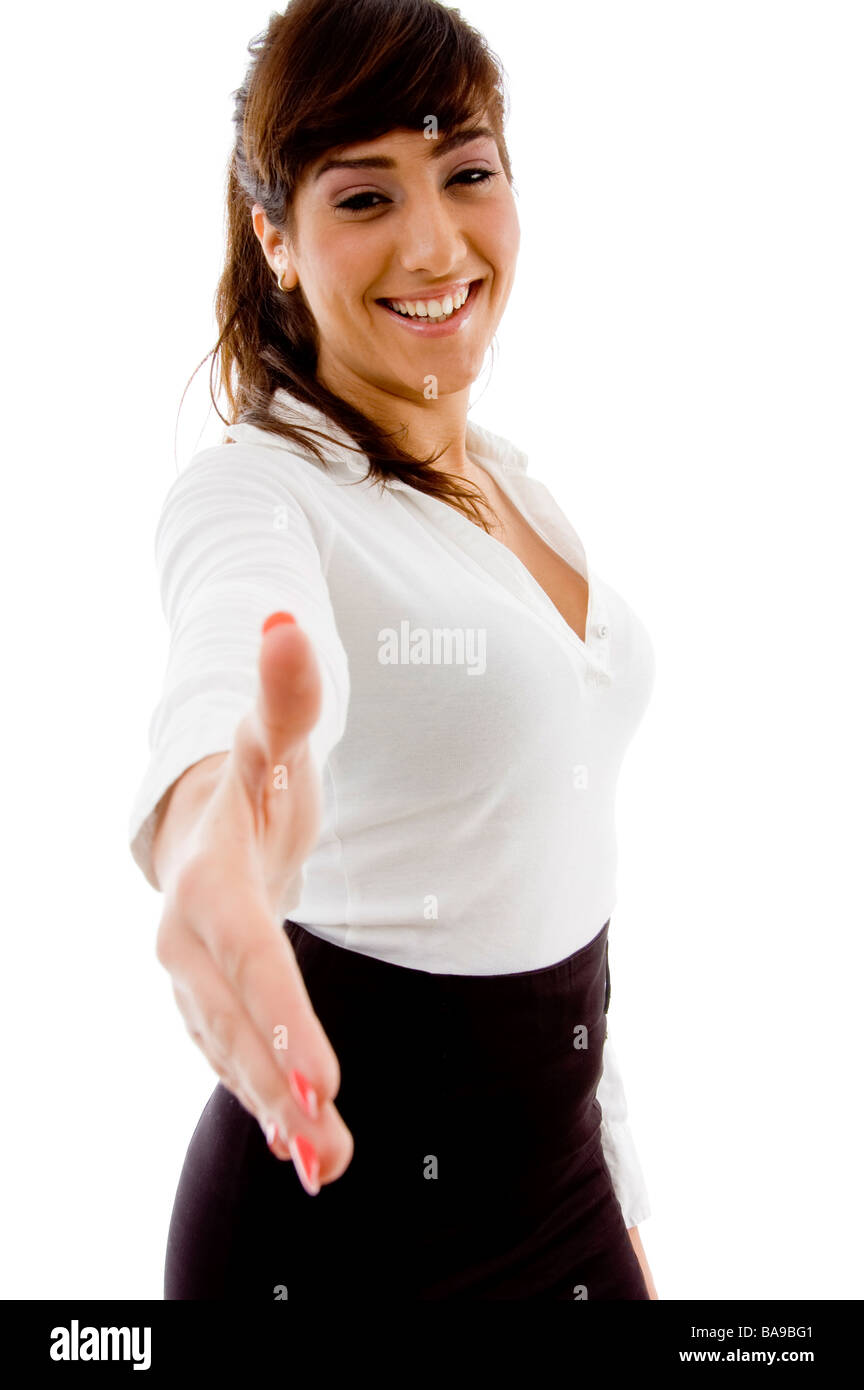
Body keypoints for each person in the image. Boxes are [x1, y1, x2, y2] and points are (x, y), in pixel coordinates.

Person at [129, 0, 659, 1300]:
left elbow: (550, 870)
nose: (434, 242)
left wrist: (623, 1186)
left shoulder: (514, 486)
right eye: (363, 197)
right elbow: (230, 661)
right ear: (277, 237)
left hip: (562, 1188)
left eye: (466, 173)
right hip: (334, 1235)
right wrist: (213, 826)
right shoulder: (255, 494)